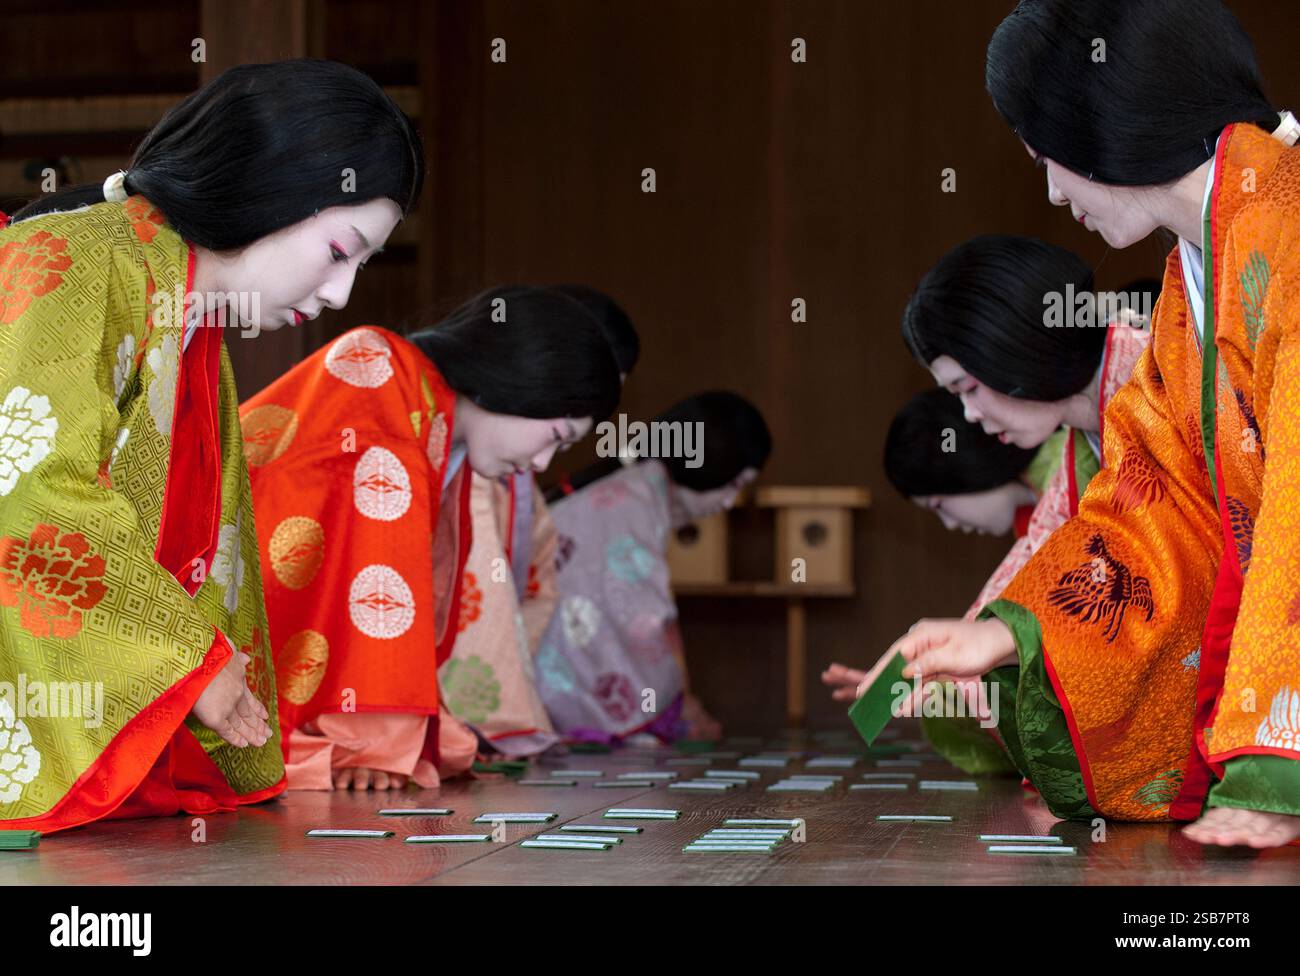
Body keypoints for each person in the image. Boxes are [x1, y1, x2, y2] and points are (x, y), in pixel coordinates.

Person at [871, 0, 1300, 848]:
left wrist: (1274, 764)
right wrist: (1008, 628)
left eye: (1046, 159)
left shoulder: (1280, 229)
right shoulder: (1196, 270)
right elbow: (1156, 504)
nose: (1052, 193)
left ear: (1109, 125)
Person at [0, 59, 421, 832]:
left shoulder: (189, 316)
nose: (340, 296)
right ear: (271, 187)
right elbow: (24, 491)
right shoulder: (77, 259)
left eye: (363, 264)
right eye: (339, 251)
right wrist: (189, 658)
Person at [241, 286, 620, 789]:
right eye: (556, 437)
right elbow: (375, 566)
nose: (543, 465)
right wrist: (371, 740)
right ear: (521, 383)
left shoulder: (427, 408)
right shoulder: (381, 374)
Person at [440, 286, 640, 756]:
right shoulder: (482, 447)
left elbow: (535, 585)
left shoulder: (499, 453)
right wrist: (499, 719)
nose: (545, 462)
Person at [537, 392, 771, 743]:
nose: (728, 501)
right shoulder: (630, 502)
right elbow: (638, 622)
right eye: (734, 484)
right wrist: (679, 706)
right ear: (712, 462)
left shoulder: (634, 487)